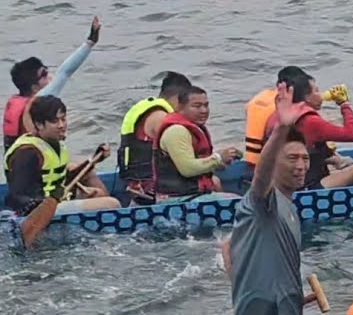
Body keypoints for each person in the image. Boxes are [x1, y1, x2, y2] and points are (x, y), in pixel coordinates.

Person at [224, 86, 312, 315]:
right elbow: (259, 179)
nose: (302, 165)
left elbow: (228, 250)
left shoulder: (288, 207)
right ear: (273, 161)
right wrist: (278, 129)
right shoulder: (263, 201)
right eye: (292, 158)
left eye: (305, 158)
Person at [4, 95, 120, 214]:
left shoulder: (55, 144)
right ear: (39, 124)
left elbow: (60, 177)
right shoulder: (27, 153)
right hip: (42, 210)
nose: (61, 125)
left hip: (58, 199)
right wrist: (48, 203)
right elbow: (18, 196)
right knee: (112, 204)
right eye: (54, 121)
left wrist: (94, 160)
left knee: (98, 193)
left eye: (63, 119)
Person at [265, 76, 353, 190]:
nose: (321, 94)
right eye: (316, 91)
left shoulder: (279, 116)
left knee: (342, 164)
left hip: (283, 182)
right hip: (307, 186)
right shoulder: (310, 121)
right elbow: (350, 134)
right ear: (307, 98)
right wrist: (344, 104)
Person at [5, 16, 101, 150]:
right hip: (33, 164)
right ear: (34, 87)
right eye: (44, 75)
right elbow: (65, 72)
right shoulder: (36, 103)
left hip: (13, 167)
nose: (50, 77)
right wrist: (90, 42)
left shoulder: (16, 104)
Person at [153, 86, 241, 200]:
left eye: (206, 105)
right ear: (180, 107)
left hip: (195, 195)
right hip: (176, 200)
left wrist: (223, 161)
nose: (204, 110)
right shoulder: (176, 131)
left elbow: (200, 164)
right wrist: (218, 158)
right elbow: (188, 169)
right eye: (197, 106)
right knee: (239, 204)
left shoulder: (195, 128)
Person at [117, 71, 191, 205]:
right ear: (178, 98)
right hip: (154, 190)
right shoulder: (162, 118)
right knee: (214, 183)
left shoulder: (147, 110)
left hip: (136, 185)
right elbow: (184, 159)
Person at [244, 66, 308, 170]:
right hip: (269, 165)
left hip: (252, 159)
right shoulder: (283, 105)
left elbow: (247, 108)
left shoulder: (261, 96)